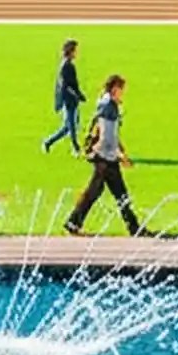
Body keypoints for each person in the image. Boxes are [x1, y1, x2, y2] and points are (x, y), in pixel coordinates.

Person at [64, 75, 144, 237]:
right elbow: (107, 136)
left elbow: (112, 135)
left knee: (97, 192)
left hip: (106, 157)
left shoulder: (108, 103)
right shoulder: (108, 106)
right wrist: (120, 155)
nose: (123, 93)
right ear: (115, 88)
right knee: (118, 194)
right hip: (105, 158)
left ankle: (73, 222)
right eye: (121, 89)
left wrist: (121, 152)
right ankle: (134, 228)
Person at [43, 39, 87, 155]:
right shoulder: (67, 66)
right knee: (72, 126)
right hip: (69, 100)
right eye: (75, 50)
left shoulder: (67, 65)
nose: (77, 53)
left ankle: (48, 142)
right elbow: (67, 85)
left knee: (67, 127)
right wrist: (78, 95)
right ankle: (76, 148)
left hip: (71, 99)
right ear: (71, 51)